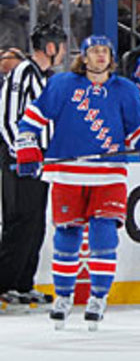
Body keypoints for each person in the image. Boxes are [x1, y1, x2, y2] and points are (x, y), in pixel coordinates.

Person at [15, 35, 140, 329]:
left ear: (111, 57)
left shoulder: (125, 89)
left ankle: (98, 297)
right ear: (84, 57)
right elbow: (31, 120)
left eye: (105, 51)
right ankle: (63, 296)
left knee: (104, 236)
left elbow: (139, 130)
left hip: (109, 173)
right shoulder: (62, 84)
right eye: (94, 51)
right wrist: (27, 144)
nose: (100, 56)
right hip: (67, 173)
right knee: (67, 235)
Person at [0, 24, 65, 309]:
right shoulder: (24, 71)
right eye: (61, 45)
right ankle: (5, 284)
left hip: (40, 161)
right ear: (50, 47)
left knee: (35, 222)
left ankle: (23, 282)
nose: (64, 51)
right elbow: (7, 117)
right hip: (21, 160)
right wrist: (21, 152)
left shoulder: (45, 77)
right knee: (20, 219)